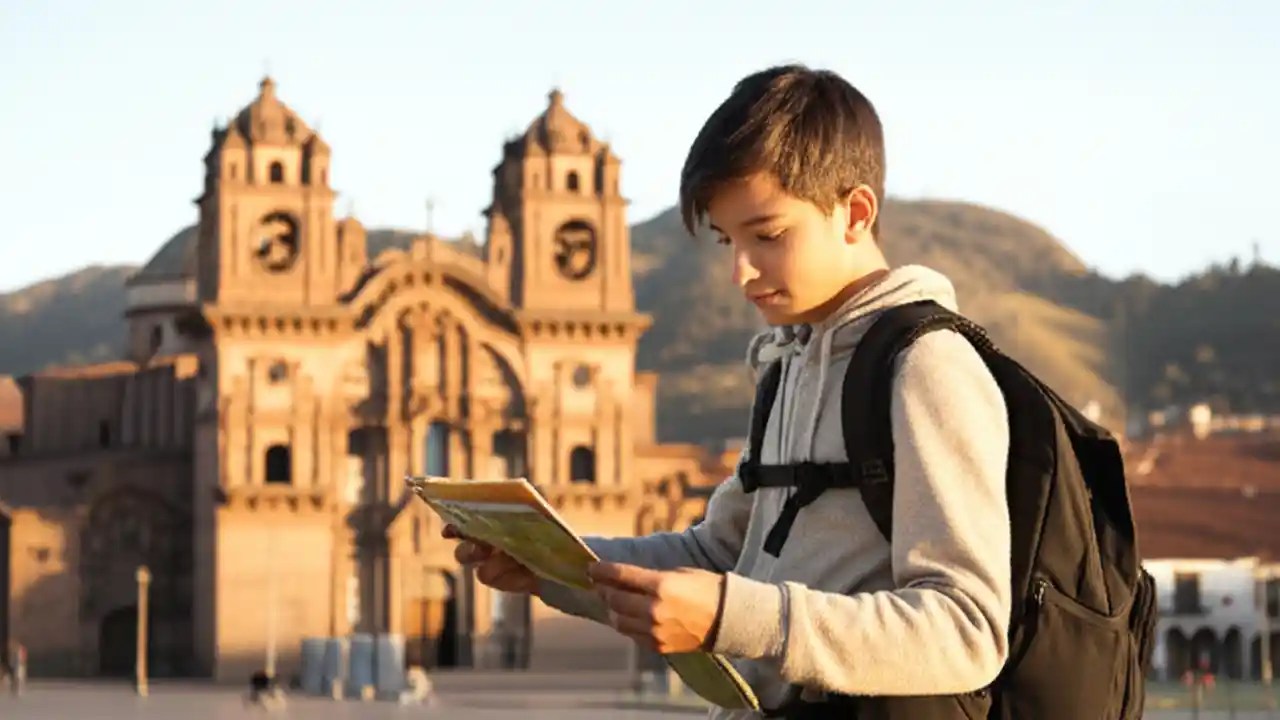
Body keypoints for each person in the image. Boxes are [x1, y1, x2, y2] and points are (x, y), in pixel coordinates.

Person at [446, 64, 1011, 719]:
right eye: (727, 240)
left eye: (767, 236)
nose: (740, 270)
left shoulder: (928, 366)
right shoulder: (788, 368)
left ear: (855, 213)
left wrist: (733, 617)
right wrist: (555, 565)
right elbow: (717, 553)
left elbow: (967, 630)